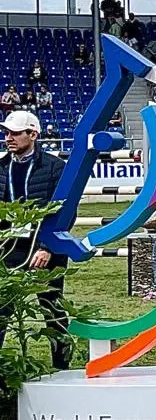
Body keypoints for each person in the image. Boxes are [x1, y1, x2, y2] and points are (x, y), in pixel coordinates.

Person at [0, 111, 71, 368]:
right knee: (2, 309)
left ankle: (61, 367)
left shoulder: (55, 167)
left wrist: (46, 246)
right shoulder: (1, 166)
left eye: (15, 133)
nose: (9, 138)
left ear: (33, 134)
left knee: (52, 310)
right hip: (9, 250)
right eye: (7, 133)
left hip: (46, 250)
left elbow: (63, 211)